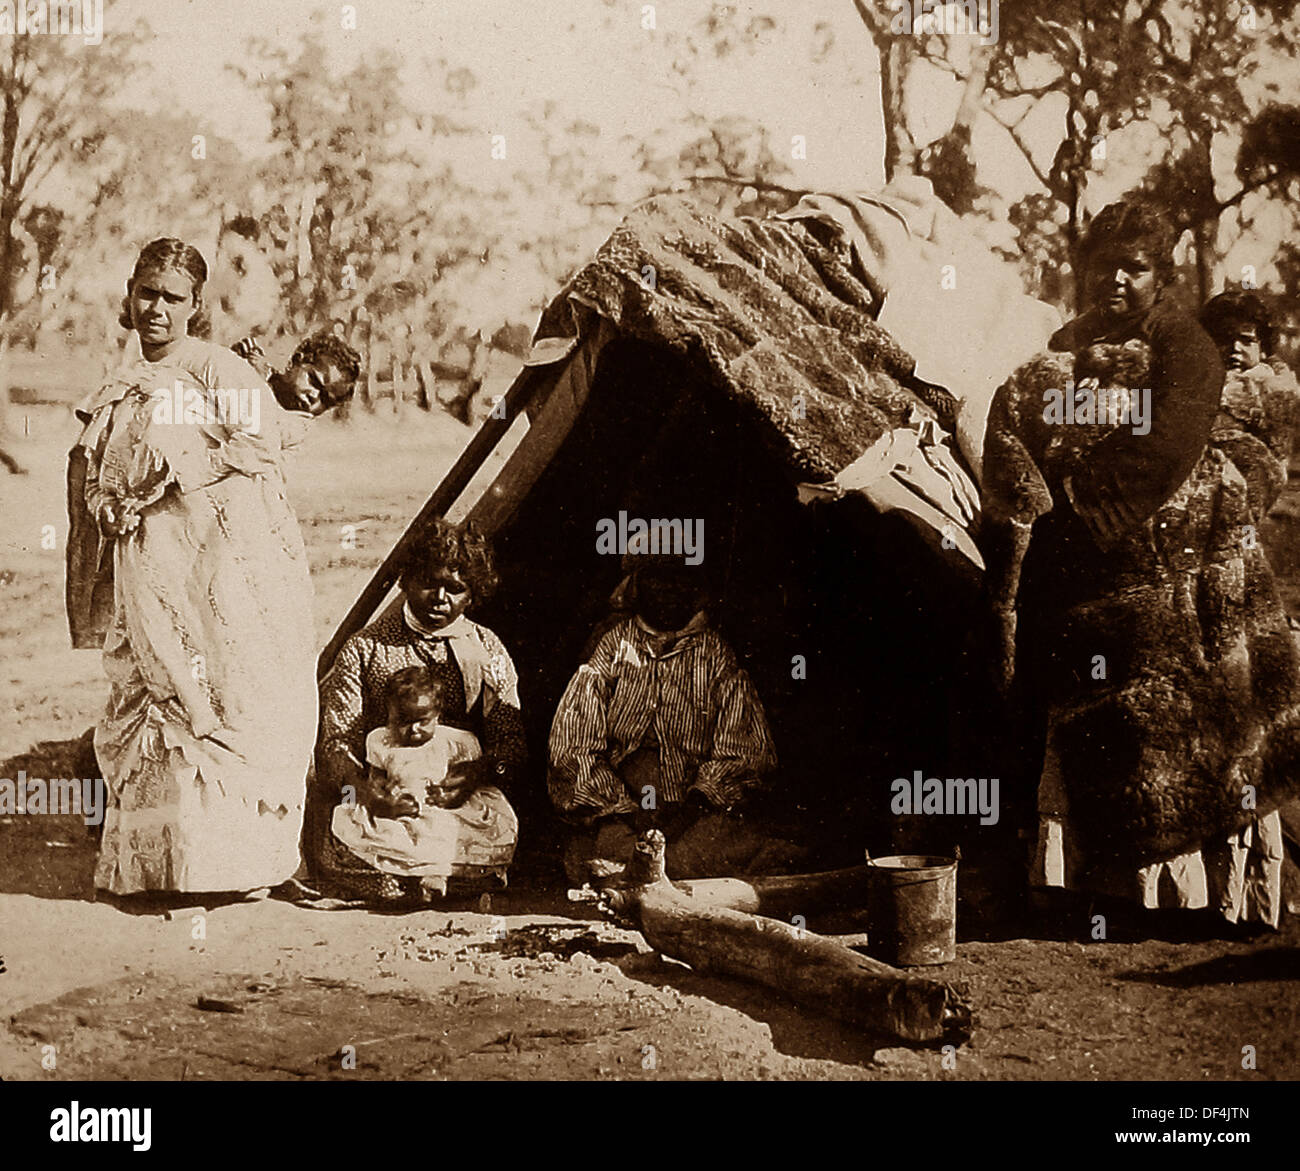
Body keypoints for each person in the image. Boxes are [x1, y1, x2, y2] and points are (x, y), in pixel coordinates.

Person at [981, 198, 1300, 932]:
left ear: (1161, 274)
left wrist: (1081, 504)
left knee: (1194, 724)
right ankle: (1100, 889)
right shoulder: (1067, 342)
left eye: (1136, 267)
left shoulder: (1185, 346)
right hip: (1087, 567)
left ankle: (1201, 899)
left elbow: (1171, 443)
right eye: (1106, 265)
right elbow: (1018, 416)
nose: (1117, 280)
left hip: (1180, 567)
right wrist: (1031, 500)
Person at [67, 237, 318, 898]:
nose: (156, 308)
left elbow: (259, 444)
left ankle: (229, 870)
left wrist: (172, 480)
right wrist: (107, 507)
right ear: (129, 293)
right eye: (146, 292)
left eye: (172, 298)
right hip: (140, 569)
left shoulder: (215, 369)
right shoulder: (116, 384)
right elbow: (94, 471)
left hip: (210, 571)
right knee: (148, 700)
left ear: (194, 305)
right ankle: (156, 872)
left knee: (213, 701)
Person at [549, 532, 801, 883]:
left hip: (692, 809)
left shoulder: (714, 653)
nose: (670, 589)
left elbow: (745, 748)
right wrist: (624, 810)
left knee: (712, 857)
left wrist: (694, 804)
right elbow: (574, 739)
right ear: (635, 585)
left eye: (682, 579)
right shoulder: (613, 647)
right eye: (657, 578)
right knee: (611, 857)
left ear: (698, 587)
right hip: (625, 809)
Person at [314, 520, 525, 901]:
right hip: (383, 795)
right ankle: (425, 881)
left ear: (472, 594)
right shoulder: (366, 649)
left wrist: (479, 773)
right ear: (405, 581)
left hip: (458, 797)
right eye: (428, 582)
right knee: (342, 836)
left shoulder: (485, 649)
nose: (439, 597)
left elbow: (510, 741)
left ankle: (427, 880)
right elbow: (336, 743)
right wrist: (365, 791)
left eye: (455, 588)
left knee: (489, 837)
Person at [328, 666, 501, 899]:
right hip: (400, 808)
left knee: (448, 830)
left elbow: (471, 782)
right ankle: (406, 878)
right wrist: (382, 800)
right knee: (378, 829)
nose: (414, 730)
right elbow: (372, 782)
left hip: (443, 807)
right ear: (389, 714)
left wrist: (449, 794)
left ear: (437, 715)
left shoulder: (456, 742)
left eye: (422, 721)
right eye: (402, 721)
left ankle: (439, 876)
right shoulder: (380, 741)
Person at [231, 332, 361, 416]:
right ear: (295, 362)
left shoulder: (298, 429)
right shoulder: (264, 373)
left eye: (326, 399)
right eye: (314, 381)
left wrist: (257, 383)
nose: (314, 396)